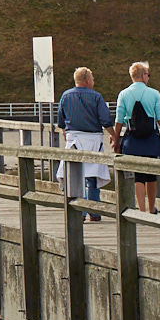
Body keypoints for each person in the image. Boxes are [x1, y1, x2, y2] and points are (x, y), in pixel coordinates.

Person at [113, 61, 160, 214]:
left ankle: (141, 210)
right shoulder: (154, 93)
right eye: (148, 75)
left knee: (138, 176)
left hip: (132, 139)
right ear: (143, 75)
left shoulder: (123, 94)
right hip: (151, 138)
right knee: (151, 174)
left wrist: (116, 140)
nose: (148, 77)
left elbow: (119, 120)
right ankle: (151, 208)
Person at [57, 67, 114, 219]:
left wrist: (64, 132)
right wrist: (115, 136)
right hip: (93, 138)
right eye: (92, 79)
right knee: (93, 177)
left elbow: (61, 120)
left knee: (76, 175)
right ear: (87, 80)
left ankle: (79, 212)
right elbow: (105, 120)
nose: (93, 82)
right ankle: (93, 212)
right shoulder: (96, 97)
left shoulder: (66, 96)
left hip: (73, 138)